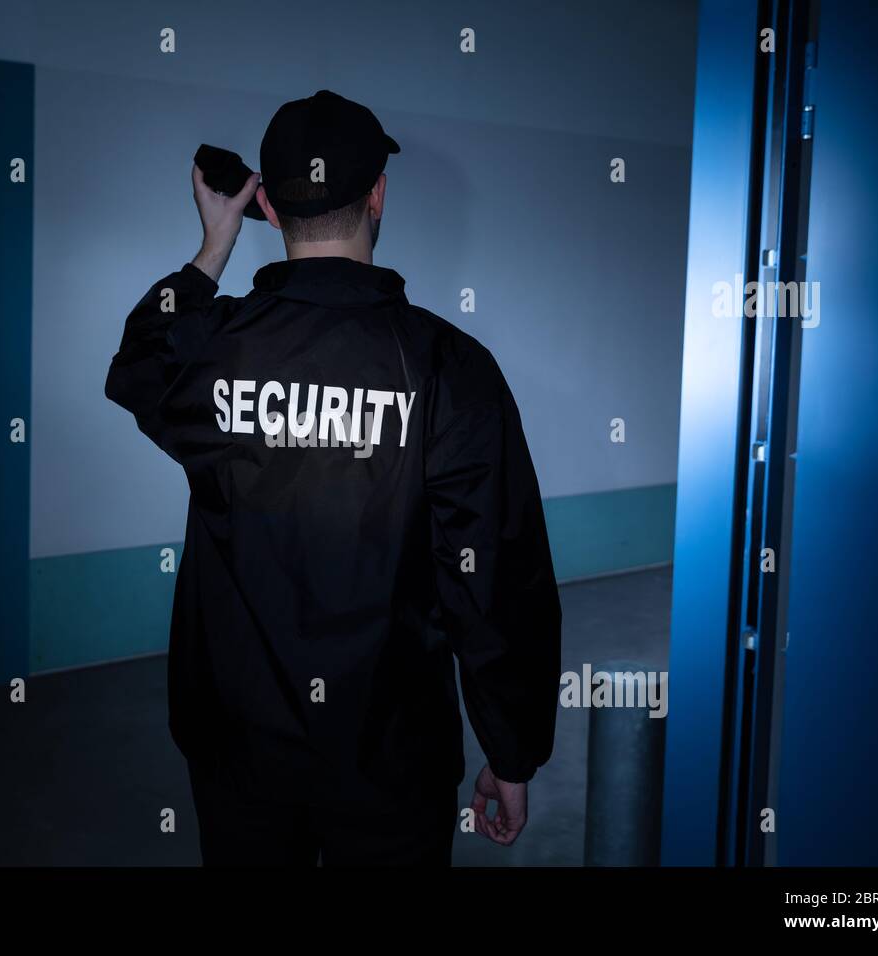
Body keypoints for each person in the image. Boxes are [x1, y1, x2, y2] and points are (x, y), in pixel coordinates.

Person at [106, 90, 561, 866]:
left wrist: (211, 249)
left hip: (237, 746)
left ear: (271, 210)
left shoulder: (212, 347)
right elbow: (493, 577)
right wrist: (511, 748)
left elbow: (138, 361)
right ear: (378, 194)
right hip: (392, 753)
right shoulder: (450, 367)